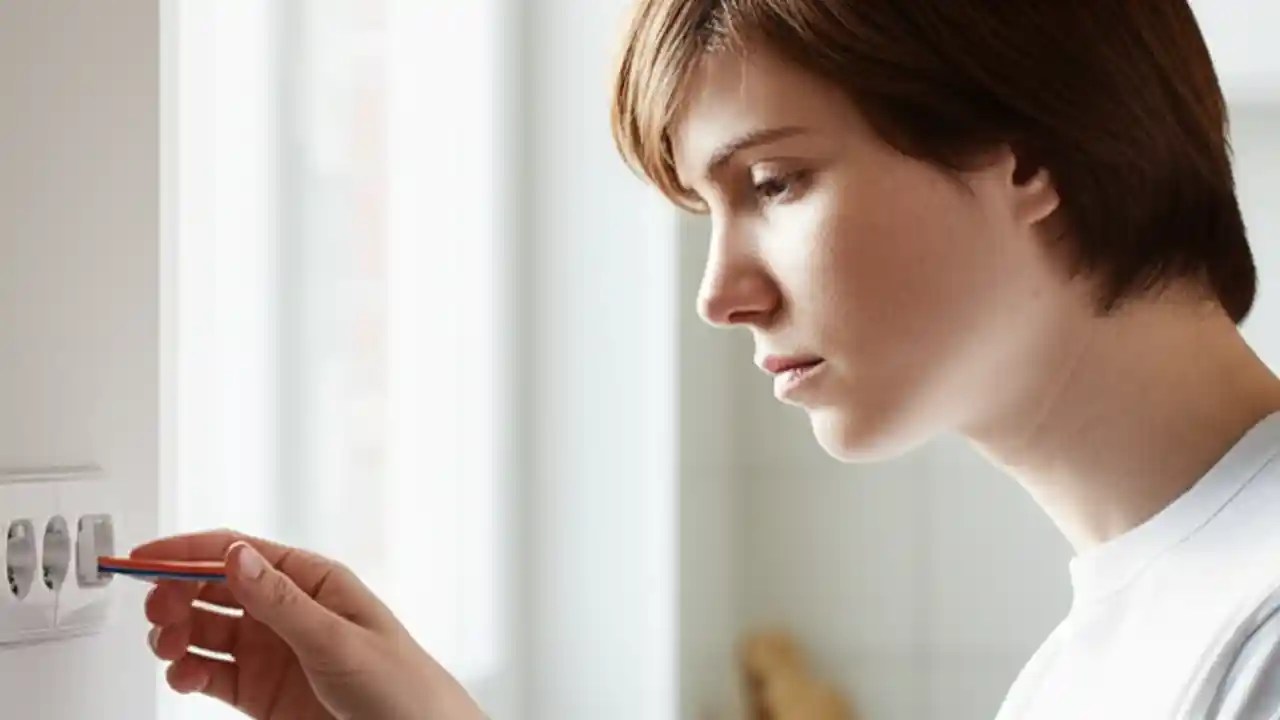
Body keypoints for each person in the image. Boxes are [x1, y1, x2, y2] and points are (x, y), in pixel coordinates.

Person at [140, 1, 1280, 717]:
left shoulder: (1254, 636)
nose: (718, 294)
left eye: (773, 184)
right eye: (706, 210)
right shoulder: (1122, 639)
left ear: (1024, 152)